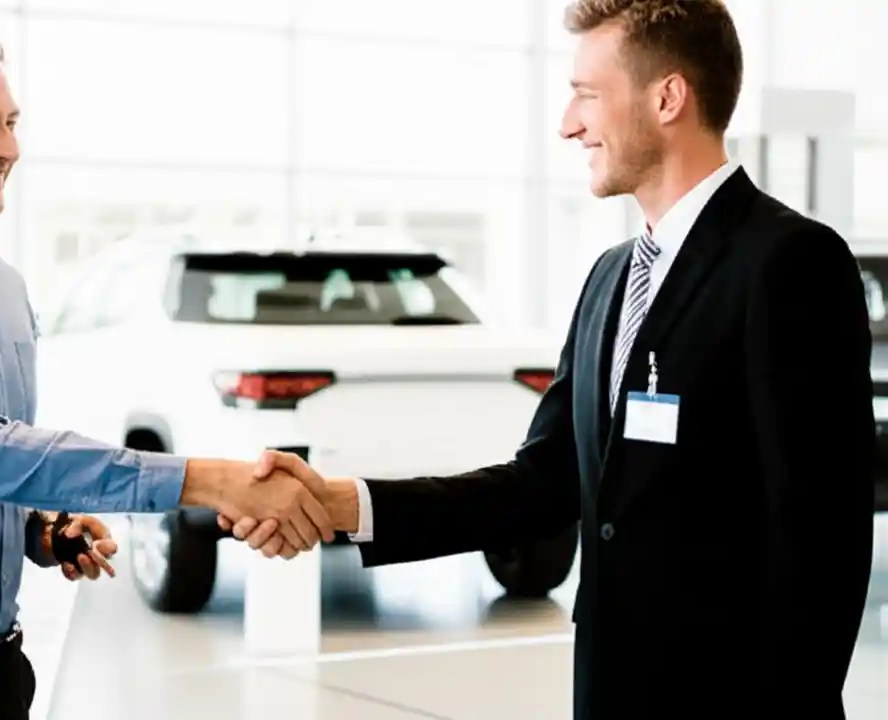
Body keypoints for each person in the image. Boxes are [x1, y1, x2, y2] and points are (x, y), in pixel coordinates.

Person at [229, 1, 875, 718]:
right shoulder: (611, 276)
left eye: (586, 94)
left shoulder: (789, 263)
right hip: (611, 689)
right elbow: (543, 483)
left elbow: (823, 540)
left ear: (667, 97)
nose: (569, 123)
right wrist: (342, 504)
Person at [0, 17, 331, 720]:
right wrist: (216, 480)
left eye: (12, 122)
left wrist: (39, 529)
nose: (8, 148)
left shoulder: (5, 285)